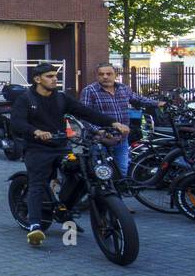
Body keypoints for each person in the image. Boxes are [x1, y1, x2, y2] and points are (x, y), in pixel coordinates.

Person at [10, 62, 128, 246]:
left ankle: (64, 208)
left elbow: (86, 112)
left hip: (61, 146)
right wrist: (36, 132)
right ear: (37, 79)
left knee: (81, 173)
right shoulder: (25, 99)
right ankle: (35, 226)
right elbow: (17, 123)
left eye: (55, 76)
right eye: (49, 76)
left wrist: (113, 123)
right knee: (38, 184)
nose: (54, 79)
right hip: (37, 148)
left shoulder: (62, 98)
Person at [79, 62, 160, 177]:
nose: (105, 76)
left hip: (121, 139)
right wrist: (99, 131)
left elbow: (138, 99)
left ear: (115, 75)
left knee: (122, 172)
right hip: (100, 140)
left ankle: (119, 193)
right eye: (101, 74)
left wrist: (158, 103)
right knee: (101, 174)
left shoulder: (123, 88)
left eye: (109, 73)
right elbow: (85, 115)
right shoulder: (89, 91)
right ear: (97, 76)